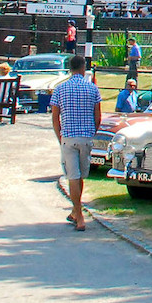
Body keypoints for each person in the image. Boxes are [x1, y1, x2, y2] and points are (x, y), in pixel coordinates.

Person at [51, 55, 101, 232]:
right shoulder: (92, 88)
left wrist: (60, 137)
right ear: (83, 67)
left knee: (73, 175)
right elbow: (98, 117)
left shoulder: (60, 88)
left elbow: (55, 117)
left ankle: (77, 214)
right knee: (80, 175)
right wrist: (91, 133)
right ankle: (77, 213)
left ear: (70, 68)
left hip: (69, 137)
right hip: (86, 137)